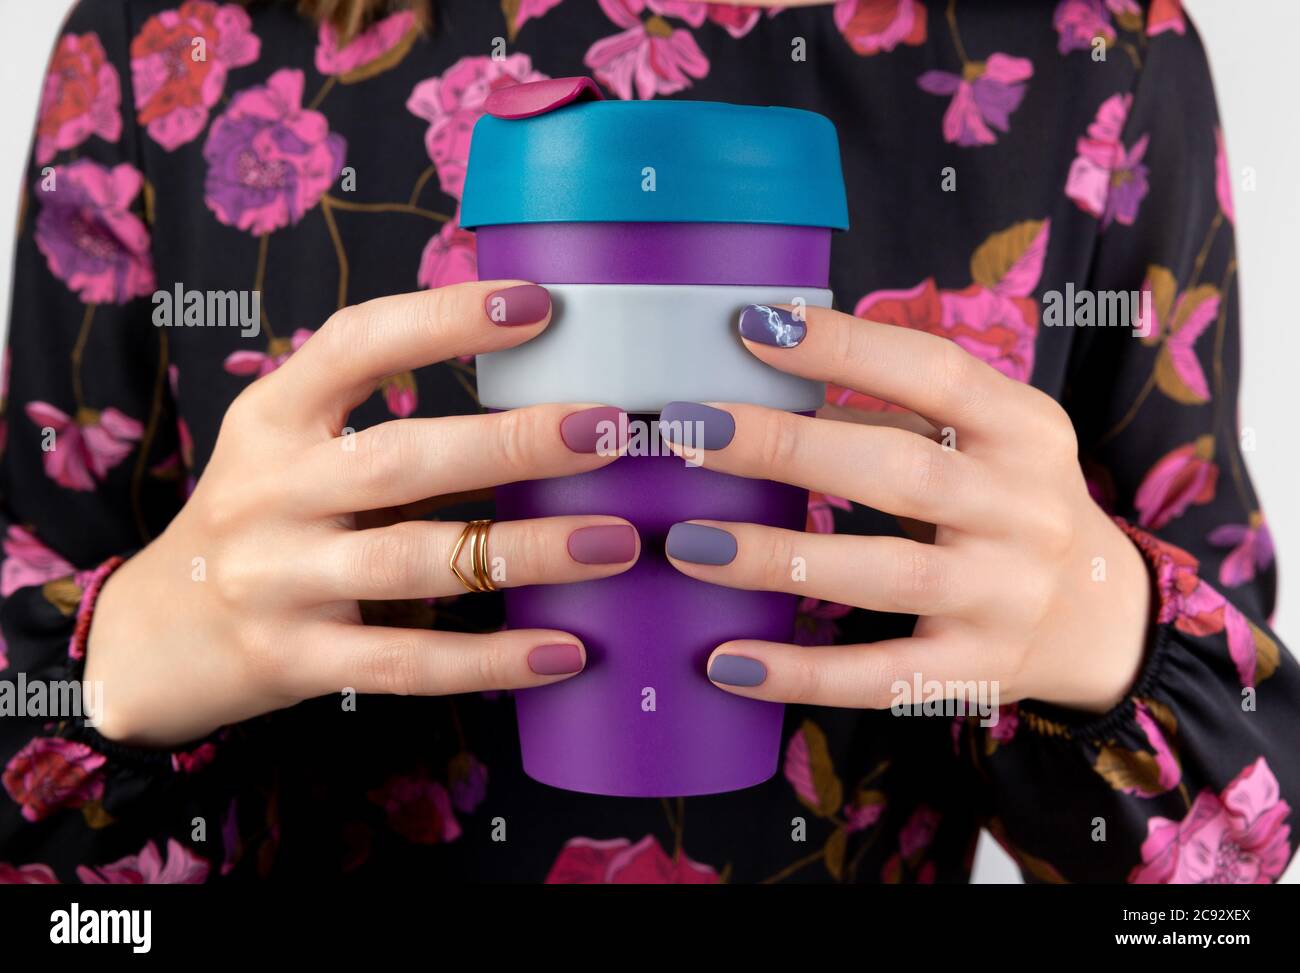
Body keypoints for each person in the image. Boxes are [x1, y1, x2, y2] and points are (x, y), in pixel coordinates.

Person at [0, 0, 1293, 885]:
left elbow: (1221, 873)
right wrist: (123, 658)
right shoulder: (169, 40)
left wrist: (1111, 636)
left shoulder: (1090, 50)